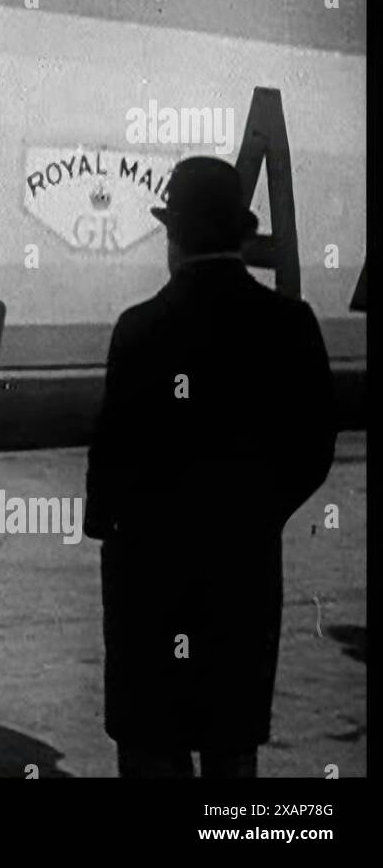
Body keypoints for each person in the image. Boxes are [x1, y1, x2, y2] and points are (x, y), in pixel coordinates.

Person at [85, 155, 337, 778]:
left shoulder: (138, 328)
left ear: (174, 237)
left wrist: (112, 529)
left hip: (149, 571)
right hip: (242, 568)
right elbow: (314, 443)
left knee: (151, 740)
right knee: (230, 743)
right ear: (241, 238)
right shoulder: (288, 322)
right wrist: (258, 512)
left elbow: (110, 454)